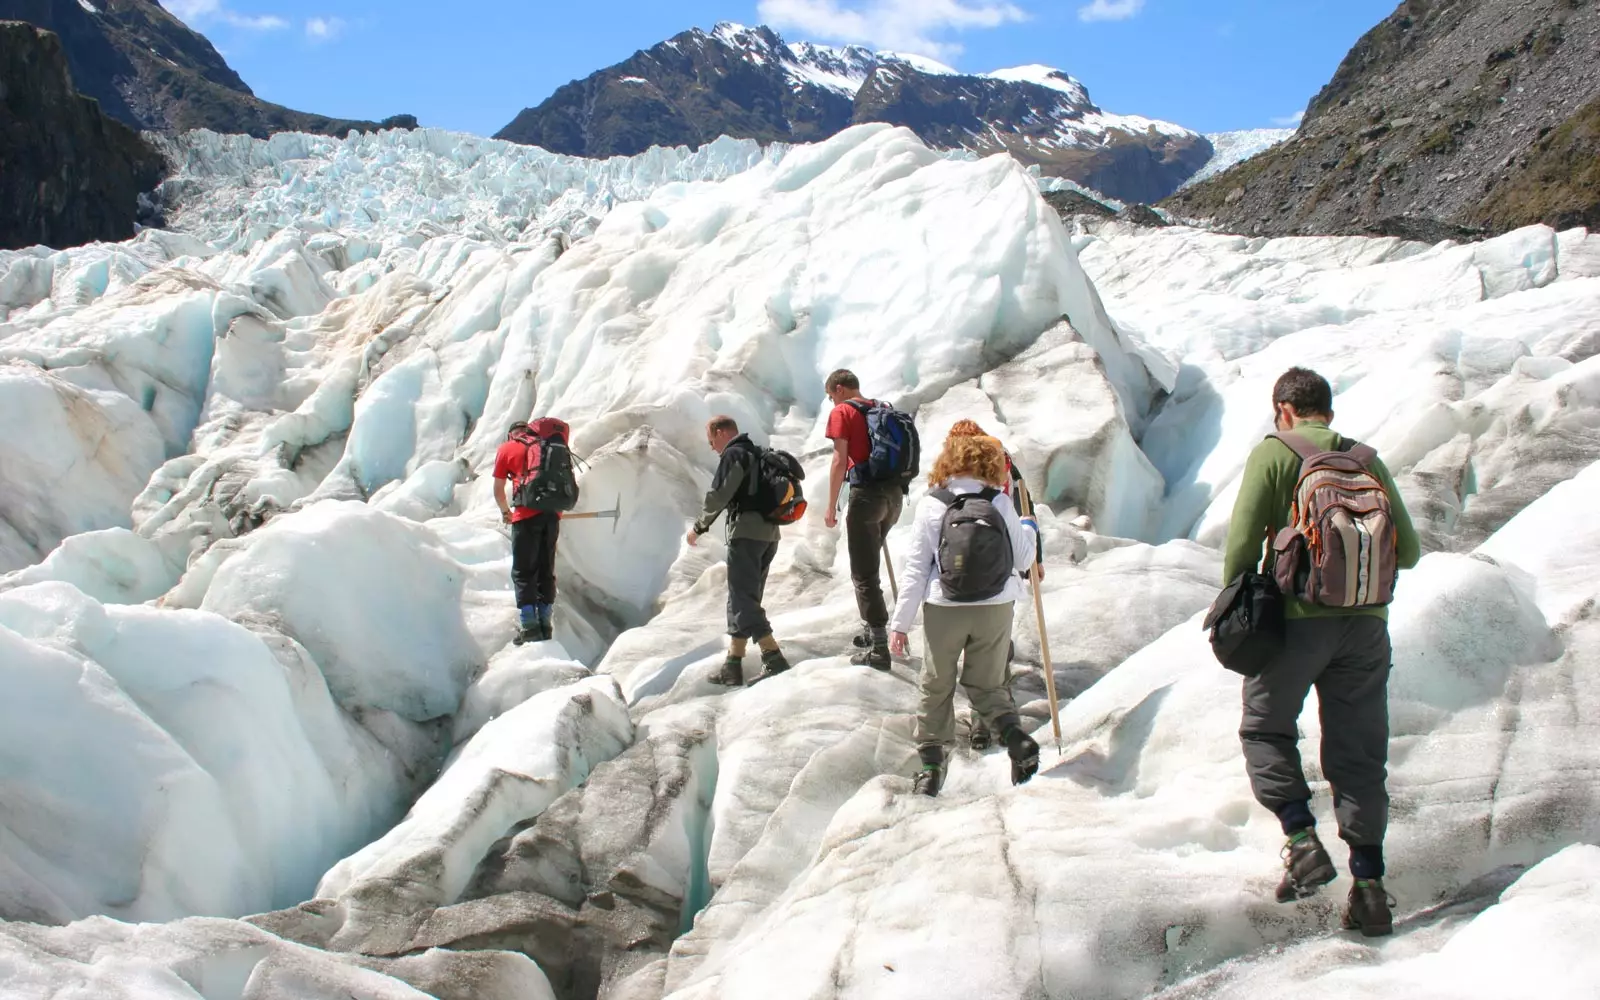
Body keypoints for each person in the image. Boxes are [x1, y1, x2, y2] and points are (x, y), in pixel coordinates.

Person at [1222, 367, 1420, 937]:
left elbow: (1240, 543)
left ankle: (1302, 840)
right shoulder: (1365, 460)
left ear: (1284, 409)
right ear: (1327, 411)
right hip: (1367, 628)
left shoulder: (1276, 453)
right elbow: (1407, 550)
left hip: (1296, 623)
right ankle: (1370, 887)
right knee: (1360, 752)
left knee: (1265, 729)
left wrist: (1237, 600)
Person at [888, 432, 1041, 797]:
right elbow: (1023, 560)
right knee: (987, 684)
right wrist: (1028, 528)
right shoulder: (1001, 503)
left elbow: (917, 570)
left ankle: (930, 767)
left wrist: (900, 624)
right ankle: (1014, 737)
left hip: (946, 606)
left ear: (949, 463)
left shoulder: (932, 504)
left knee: (937, 683)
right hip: (995, 606)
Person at [944, 419, 1044, 750]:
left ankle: (981, 722)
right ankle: (992, 715)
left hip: (959, 574)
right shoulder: (1004, 464)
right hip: (1001, 568)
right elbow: (1025, 510)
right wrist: (1034, 558)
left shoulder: (960, 472)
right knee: (994, 644)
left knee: (975, 647)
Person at [687, 415, 791, 687]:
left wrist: (698, 527)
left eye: (712, 441)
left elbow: (719, 495)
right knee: (744, 598)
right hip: (770, 534)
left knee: (743, 600)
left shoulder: (735, 454)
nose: (712, 448)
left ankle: (773, 656)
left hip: (746, 533)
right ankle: (733, 664)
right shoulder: (759, 453)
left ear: (721, 432)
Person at [823, 369, 904, 671]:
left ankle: (880, 648)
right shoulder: (880, 408)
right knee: (870, 563)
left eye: (831, 396)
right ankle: (872, 630)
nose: (832, 403)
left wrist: (831, 505)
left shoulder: (843, 411)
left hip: (867, 496)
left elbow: (839, 460)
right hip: (893, 497)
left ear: (840, 389)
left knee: (864, 572)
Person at [494, 418, 569, 644]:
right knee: (546, 569)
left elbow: (498, 490)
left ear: (511, 434)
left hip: (525, 516)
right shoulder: (546, 446)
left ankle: (529, 626)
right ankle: (545, 624)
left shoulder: (507, 448)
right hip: (552, 515)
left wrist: (506, 512)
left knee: (524, 571)